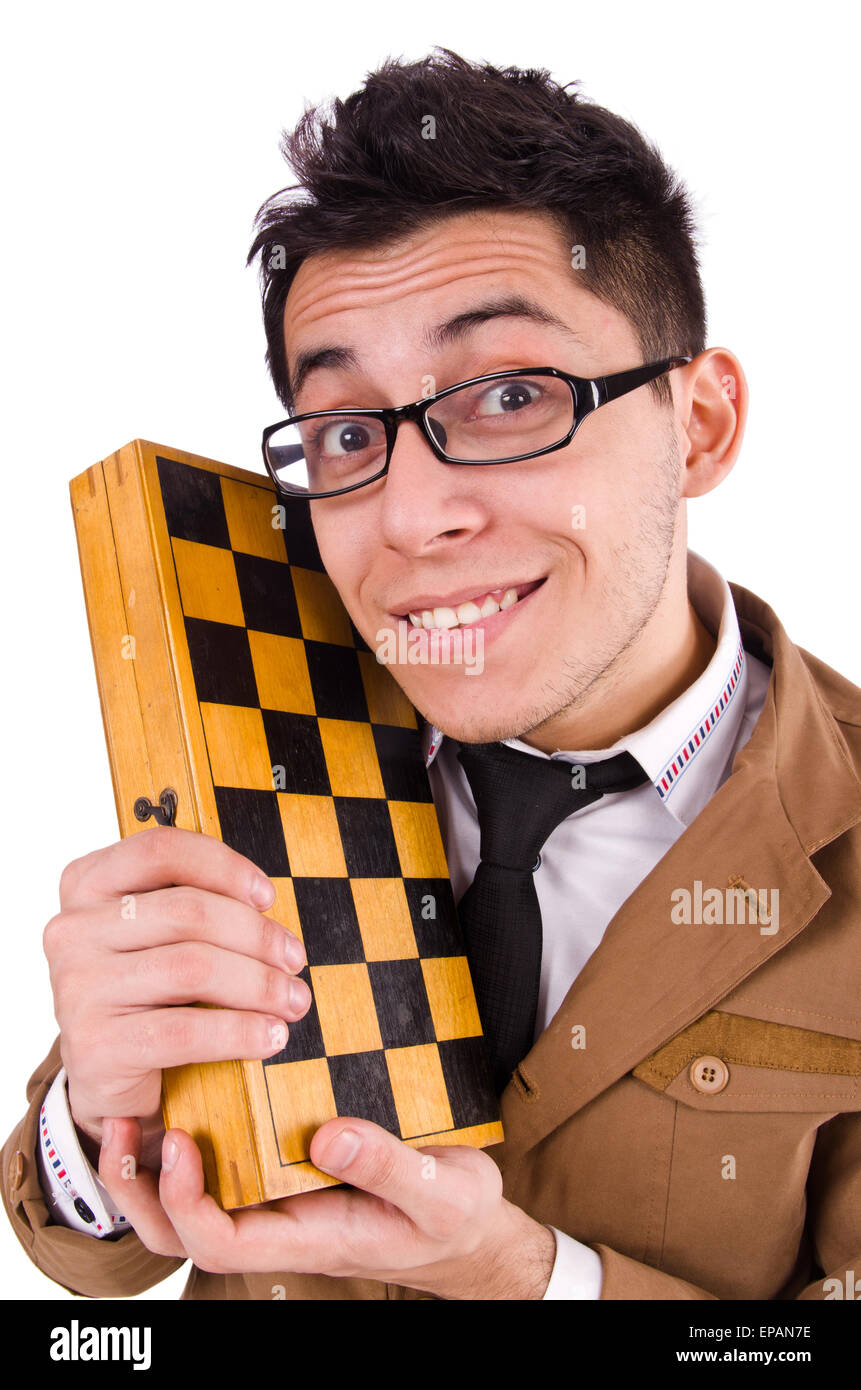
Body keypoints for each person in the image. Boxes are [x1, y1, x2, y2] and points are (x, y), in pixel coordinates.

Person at [3, 48, 860, 1302]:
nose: (409, 516)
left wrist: (531, 1278)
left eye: (510, 394)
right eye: (350, 431)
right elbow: (86, 1248)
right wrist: (95, 1122)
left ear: (702, 423)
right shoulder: (273, 714)